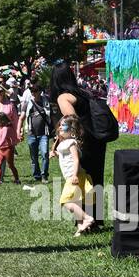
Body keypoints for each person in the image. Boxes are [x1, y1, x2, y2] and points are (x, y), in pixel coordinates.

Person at [48, 60, 109, 229]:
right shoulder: (82, 93)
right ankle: (96, 220)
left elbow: (72, 123)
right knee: (95, 180)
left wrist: (58, 143)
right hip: (97, 141)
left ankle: (84, 220)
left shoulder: (63, 97)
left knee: (80, 180)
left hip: (83, 144)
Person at [51, 114, 94, 235]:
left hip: (74, 176)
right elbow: (66, 156)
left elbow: (76, 159)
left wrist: (74, 175)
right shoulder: (64, 142)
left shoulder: (71, 143)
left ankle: (87, 218)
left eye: (64, 125)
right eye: (60, 125)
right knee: (76, 203)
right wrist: (56, 154)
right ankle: (81, 228)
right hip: (72, 176)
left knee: (66, 202)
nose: (60, 127)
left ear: (72, 129)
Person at [24, 87, 51, 182]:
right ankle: (36, 175)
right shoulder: (28, 103)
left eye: (35, 91)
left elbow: (51, 115)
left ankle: (44, 175)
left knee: (45, 153)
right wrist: (20, 129)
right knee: (33, 156)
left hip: (44, 133)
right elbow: (23, 116)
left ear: (40, 92)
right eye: (32, 91)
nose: (33, 93)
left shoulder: (46, 102)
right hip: (32, 134)